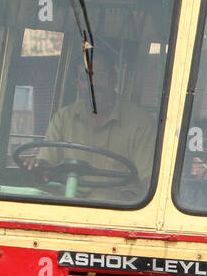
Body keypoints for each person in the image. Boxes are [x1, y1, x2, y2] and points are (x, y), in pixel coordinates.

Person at [36, 46, 157, 191]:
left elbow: (149, 181)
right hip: (69, 205)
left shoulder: (140, 122)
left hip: (120, 210)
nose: (92, 84)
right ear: (76, 84)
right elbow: (47, 166)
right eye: (84, 78)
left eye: (99, 76)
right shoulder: (63, 118)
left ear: (114, 76)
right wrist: (38, 167)